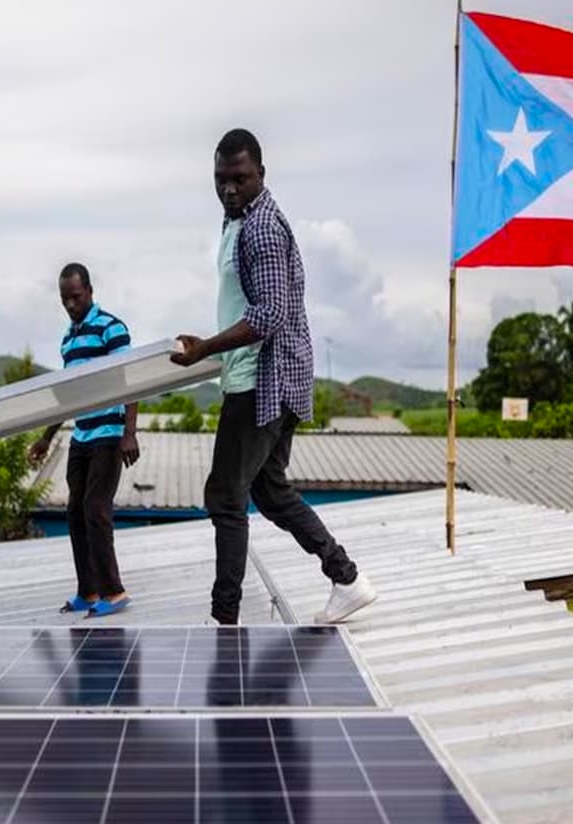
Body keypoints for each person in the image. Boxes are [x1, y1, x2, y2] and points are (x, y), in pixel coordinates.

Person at [172, 128, 376, 626]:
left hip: (261, 383)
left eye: (239, 178)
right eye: (220, 179)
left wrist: (207, 348)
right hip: (269, 379)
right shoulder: (237, 218)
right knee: (270, 491)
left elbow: (270, 315)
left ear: (261, 173)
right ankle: (347, 579)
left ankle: (224, 620)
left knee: (225, 496)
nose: (228, 188)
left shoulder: (261, 228)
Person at [29, 263, 140, 617]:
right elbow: (69, 396)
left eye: (76, 297)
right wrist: (47, 438)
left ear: (90, 291)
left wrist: (129, 432)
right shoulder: (69, 339)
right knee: (75, 511)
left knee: (95, 508)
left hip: (109, 434)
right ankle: (88, 592)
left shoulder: (111, 328)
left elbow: (131, 381)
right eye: (64, 300)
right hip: (81, 435)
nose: (71, 305)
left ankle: (115, 592)